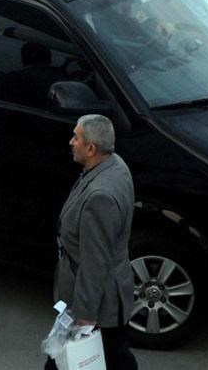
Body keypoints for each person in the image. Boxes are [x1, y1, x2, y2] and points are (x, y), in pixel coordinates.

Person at [44, 115, 137, 370]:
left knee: (80, 360)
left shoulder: (100, 198)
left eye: (77, 137)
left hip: (96, 302)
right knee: (115, 356)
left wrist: (85, 316)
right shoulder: (114, 165)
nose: (71, 141)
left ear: (91, 148)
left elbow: (94, 262)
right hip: (105, 297)